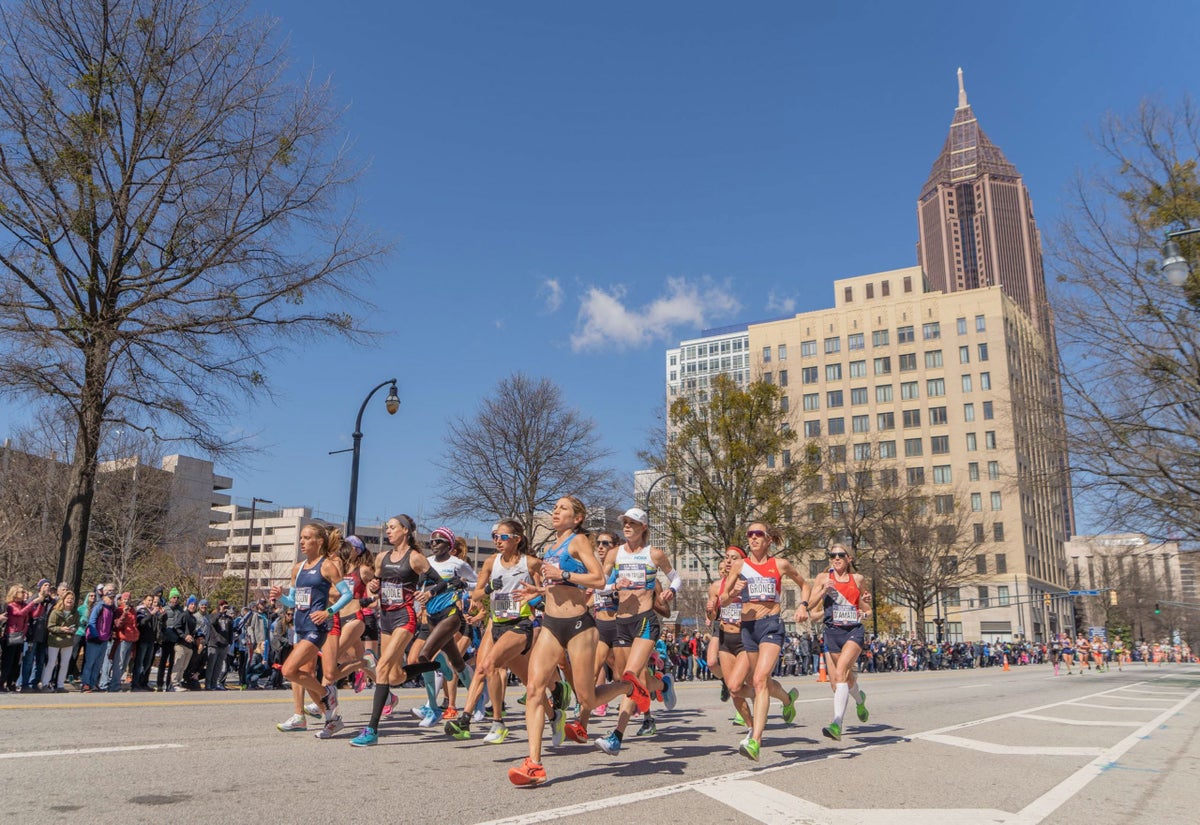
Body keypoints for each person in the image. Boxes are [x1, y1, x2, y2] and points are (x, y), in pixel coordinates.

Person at [507, 496, 641, 786]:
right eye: (555, 508)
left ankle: (629, 686)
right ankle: (534, 764)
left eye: (563, 508)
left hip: (579, 625)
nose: (556, 511)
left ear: (577, 517)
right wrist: (540, 591)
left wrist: (563, 573)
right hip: (552, 624)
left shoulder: (578, 541)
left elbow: (599, 580)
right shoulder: (551, 546)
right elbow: (560, 584)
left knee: (587, 698)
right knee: (533, 688)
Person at [593, 507, 683, 755]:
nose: (627, 526)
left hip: (645, 620)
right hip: (621, 621)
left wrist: (670, 591)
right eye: (624, 522)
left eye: (632, 523)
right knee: (627, 679)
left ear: (643, 527)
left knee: (631, 675)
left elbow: (676, 578)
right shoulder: (614, 554)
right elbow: (598, 588)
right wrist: (613, 585)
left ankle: (616, 736)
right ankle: (663, 686)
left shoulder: (654, 554)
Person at [445, 518, 543, 743]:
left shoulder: (530, 564)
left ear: (517, 539)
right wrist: (489, 588)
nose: (498, 540)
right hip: (496, 622)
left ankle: (500, 722)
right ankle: (466, 720)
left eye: (504, 537)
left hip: (521, 623)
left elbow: (546, 588)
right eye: (495, 537)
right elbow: (476, 595)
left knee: (503, 670)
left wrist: (536, 596)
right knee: (482, 669)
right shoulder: (491, 562)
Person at [720, 522, 811, 761]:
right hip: (747, 628)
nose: (753, 538)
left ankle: (755, 740)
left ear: (768, 539)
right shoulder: (739, 566)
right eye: (750, 534)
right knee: (760, 682)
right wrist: (732, 593)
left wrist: (803, 605)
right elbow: (723, 601)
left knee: (759, 680)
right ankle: (787, 699)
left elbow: (804, 584)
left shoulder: (779, 564)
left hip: (771, 625)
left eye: (758, 534)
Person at [350, 514, 435, 747]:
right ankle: (429, 667)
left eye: (392, 527)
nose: (388, 531)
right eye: (387, 528)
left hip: (404, 617)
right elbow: (374, 586)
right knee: (395, 675)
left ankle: (372, 729)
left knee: (383, 667)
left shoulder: (415, 558)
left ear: (405, 530)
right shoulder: (381, 558)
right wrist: (373, 586)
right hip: (385, 618)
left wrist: (427, 593)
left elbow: (439, 581)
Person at [271, 521, 351, 734]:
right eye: (301, 538)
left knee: (288, 670)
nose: (302, 542)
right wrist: (281, 598)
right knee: (305, 674)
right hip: (300, 627)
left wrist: (329, 612)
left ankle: (327, 694)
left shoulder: (327, 566)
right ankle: (331, 718)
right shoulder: (297, 568)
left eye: (307, 538)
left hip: (316, 629)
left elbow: (347, 594)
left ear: (319, 541)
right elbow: (292, 601)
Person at [409, 526, 477, 728]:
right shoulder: (425, 563)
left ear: (449, 545)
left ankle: (432, 707)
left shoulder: (457, 564)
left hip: (450, 616)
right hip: (429, 618)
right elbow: (419, 588)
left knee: (423, 657)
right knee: (455, 662)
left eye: (439, 541)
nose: (434, 544)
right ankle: (478, 697)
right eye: (432, 541)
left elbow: (478, 583)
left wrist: (463, 585)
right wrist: (417, 603)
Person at [808, 544, 872, 742]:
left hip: (853, 631)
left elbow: (867, 609)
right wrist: (823, 591)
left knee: (842, 671)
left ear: (849, 558)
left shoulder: (857, 579)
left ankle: (837, 723)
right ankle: (860, 700)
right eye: (832, 555)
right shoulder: (823, 578)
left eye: (840, 555)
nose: (836, 558)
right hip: (832, 632)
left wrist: (866, 605)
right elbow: (809, 606)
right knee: (839, 682)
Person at [707, 547, 754, 728]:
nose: (728, 561)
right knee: (734, 690)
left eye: (733, 558)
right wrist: (710, 610)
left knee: (743, 684)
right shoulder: (716, 587)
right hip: (725, 638)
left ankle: (765, 692)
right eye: (726, 557)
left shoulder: (749, 583)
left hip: (745, 638)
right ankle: (751, 728)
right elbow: (713, 617)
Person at [81, 584, 116, 692]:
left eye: (112, 598)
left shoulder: (111, 609)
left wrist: (109, 635)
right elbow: (91, 621)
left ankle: (93, 683)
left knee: (98, 664)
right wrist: (95, 635)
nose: (111, 600)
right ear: (104, 596)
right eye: (109, 597)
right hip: (94, 639)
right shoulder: (98, 606)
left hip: (105, 640)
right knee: (90, 662)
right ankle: (85, 684)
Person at [3, 584, 36, 692]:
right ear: (15, 594)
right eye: (21, 592)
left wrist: (40, 604)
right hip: (11, 636)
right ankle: (2, 682)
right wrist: (33, 602)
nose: (24, 594)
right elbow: (20, 613)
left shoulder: (24, 605)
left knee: (17, 662)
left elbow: (35, 614)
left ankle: (11, 683)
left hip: (21, 637)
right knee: (8, 661)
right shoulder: (11, 606)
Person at [46, 591, 78, 692]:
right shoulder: (55, 612)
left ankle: (60, 685)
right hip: (55, 640)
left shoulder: (75, 613)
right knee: (51, 663)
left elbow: (77, 626)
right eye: (68, 598)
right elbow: (50, 626)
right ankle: (45, 684)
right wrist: (61, 629)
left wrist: (73, 630)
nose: (70, 600)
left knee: (64, 664)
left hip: (68, 641)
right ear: (63, 600)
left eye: (72, 599)